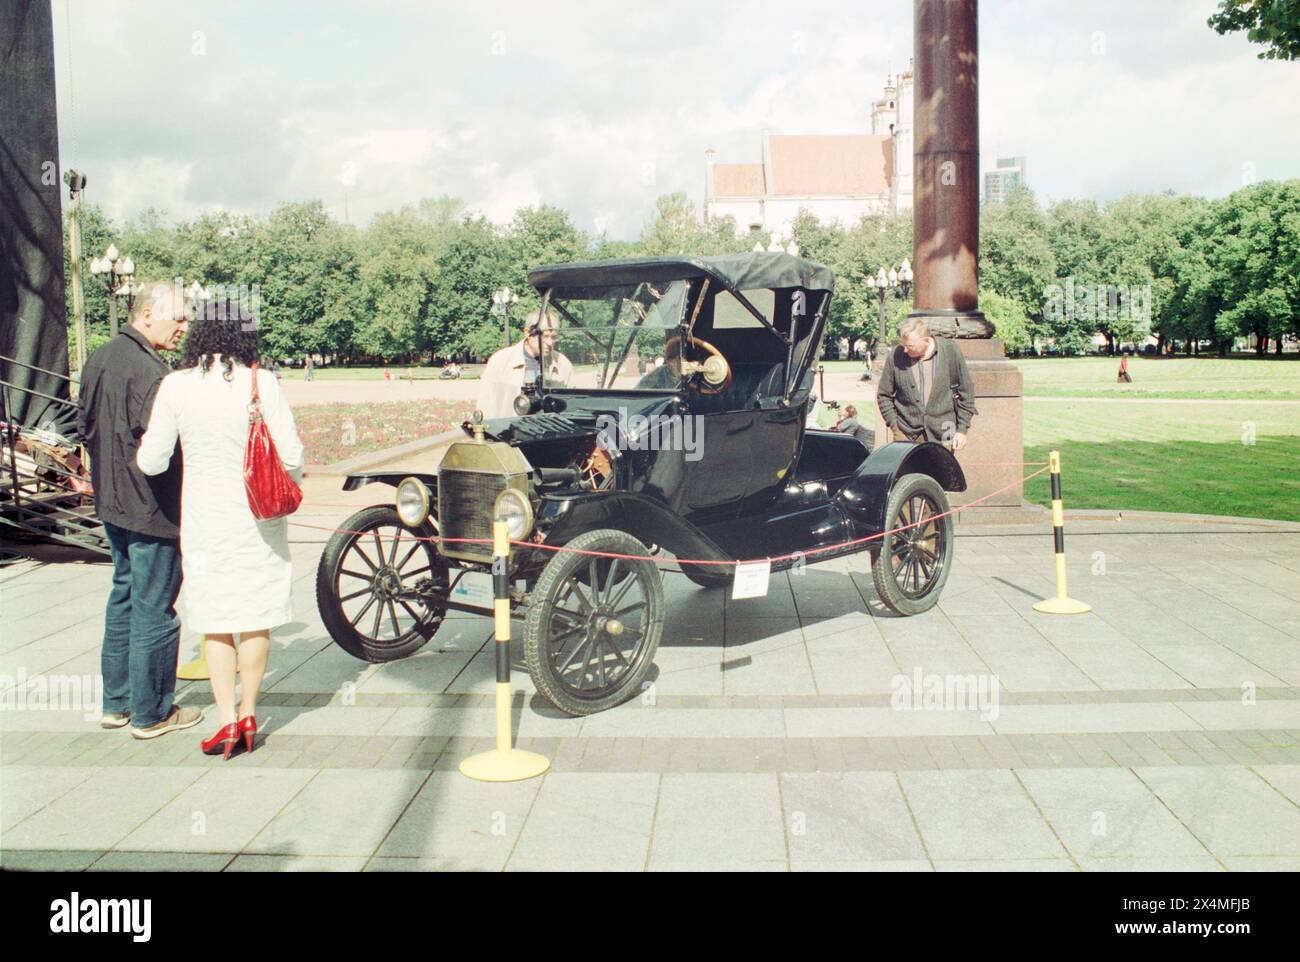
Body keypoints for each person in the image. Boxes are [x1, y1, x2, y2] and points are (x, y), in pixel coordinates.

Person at [138, 297, 304, 759]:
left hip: (205, 519)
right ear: (246, 334)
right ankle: (251, 712)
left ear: (201, 335)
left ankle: (226, 721)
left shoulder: (175, 386)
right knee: (254, 616)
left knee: (215, 621)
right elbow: (292, 455)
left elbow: (152, 460)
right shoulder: (261, 382)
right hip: (257, 517)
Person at [77, 280, 203, 740]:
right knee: (156, 607)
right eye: (178, 317)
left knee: (124, 596)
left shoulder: (100, 357)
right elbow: (162, 447)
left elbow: (82, 425)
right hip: (152, 508)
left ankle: (117, 704)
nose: (184, 327)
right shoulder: (153, 373)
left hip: (111, 502)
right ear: (148, 314)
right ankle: (152, 713)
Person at [876, 316, 977, 449]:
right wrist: (894, 426)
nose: (905, 350)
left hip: (945, 433)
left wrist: (962, 430)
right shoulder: (897, 354)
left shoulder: (950, 351)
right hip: (906, 434)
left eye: (910, 346)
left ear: (926, 341)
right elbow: (883, 395)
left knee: (941, 470)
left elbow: (966, 393)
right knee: (908, 470)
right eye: (904, 345)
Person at [477, 309, 573, 418]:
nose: (550, 342)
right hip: (510, 431)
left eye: (554, 337)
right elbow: (485, 407)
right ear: (527, 333)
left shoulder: (563, 365)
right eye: (545, 336)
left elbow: (570, 408)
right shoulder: (500, 361)